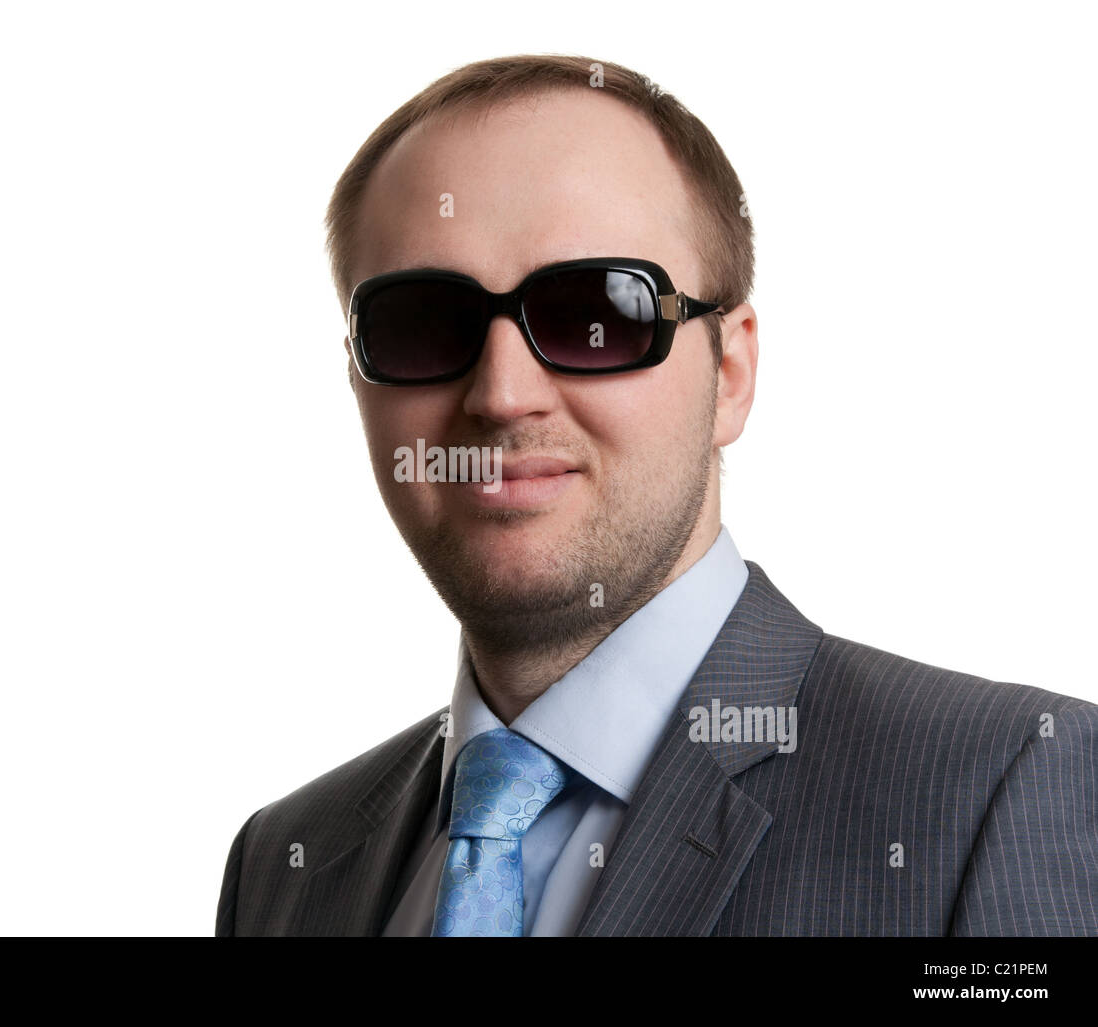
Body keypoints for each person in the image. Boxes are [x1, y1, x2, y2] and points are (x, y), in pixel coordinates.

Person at [215, 54, 1098, 937]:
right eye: (420, 323)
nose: (501, 394)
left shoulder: (1004, 789)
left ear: (733, 372)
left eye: (594, 313)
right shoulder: (284, 866)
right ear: (360, 382)